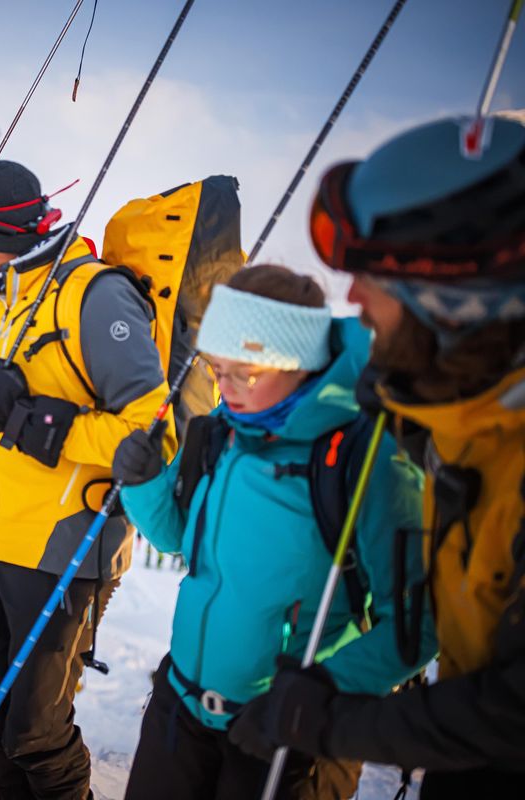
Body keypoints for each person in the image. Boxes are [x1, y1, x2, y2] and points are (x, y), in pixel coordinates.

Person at [227, 115, 525, 798]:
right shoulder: (459, 423)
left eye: (374, 280)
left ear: (454, 303)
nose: (353, 300)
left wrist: (333, 721)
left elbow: (512, 710)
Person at [113, 264, 433, 799]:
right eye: (218, 368)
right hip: (181, 707)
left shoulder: (367, 457)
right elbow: (175, 538)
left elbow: (419, 622)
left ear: (300, 361)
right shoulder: (219, 433)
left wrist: (320, 694)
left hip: (290, 734)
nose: (227, 387)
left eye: (248, 371)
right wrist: (143, 485)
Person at [0, 160, 175, 798]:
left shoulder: (96, 295)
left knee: (36, 732)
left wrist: (42, 423)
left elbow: (152, 438)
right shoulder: (9, 297)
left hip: (66, 550)